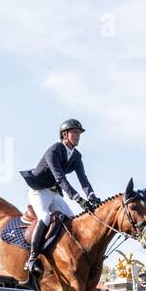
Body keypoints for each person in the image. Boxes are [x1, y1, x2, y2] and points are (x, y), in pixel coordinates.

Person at [18, 118, 100, 277]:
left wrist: (92, 196)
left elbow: (83, 179)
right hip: (39, 191)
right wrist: (78, 199)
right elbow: (60, 178)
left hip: (54, 193)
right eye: (75, 132)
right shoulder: (54, 150)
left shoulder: (76, 156)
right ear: (65, 134)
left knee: (72, 220)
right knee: (45, 217)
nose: (78, 136)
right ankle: (32, 258)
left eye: (79, 133)